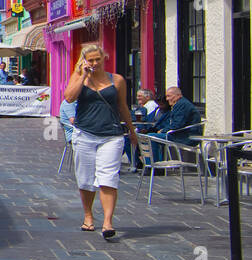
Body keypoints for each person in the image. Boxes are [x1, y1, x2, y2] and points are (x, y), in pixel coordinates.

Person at [64, 43, 138, 240]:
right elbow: (69, 98)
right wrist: (83, 76)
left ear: (104, 58)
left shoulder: (117, 80)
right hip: (85, 133)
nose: (95, 63)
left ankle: (107, 222)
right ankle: (88, 216)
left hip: (111, 135)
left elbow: (122, 106)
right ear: (84, 61)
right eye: (91, 60)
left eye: (98, 59)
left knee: (108, 177)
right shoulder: (80, 78)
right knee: (86, 178)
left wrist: (131, 131)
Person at [140, 86, 203, 161]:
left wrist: (163, 131)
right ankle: (157, 164)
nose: (167, 99)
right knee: (153, 136)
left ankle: (154, 166)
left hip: (186, 137)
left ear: (178, 95)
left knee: (150, 137)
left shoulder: (182, 104)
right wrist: (164, 130)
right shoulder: (180, 104)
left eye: (169, 96)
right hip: (180, 134)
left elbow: (177, 124)